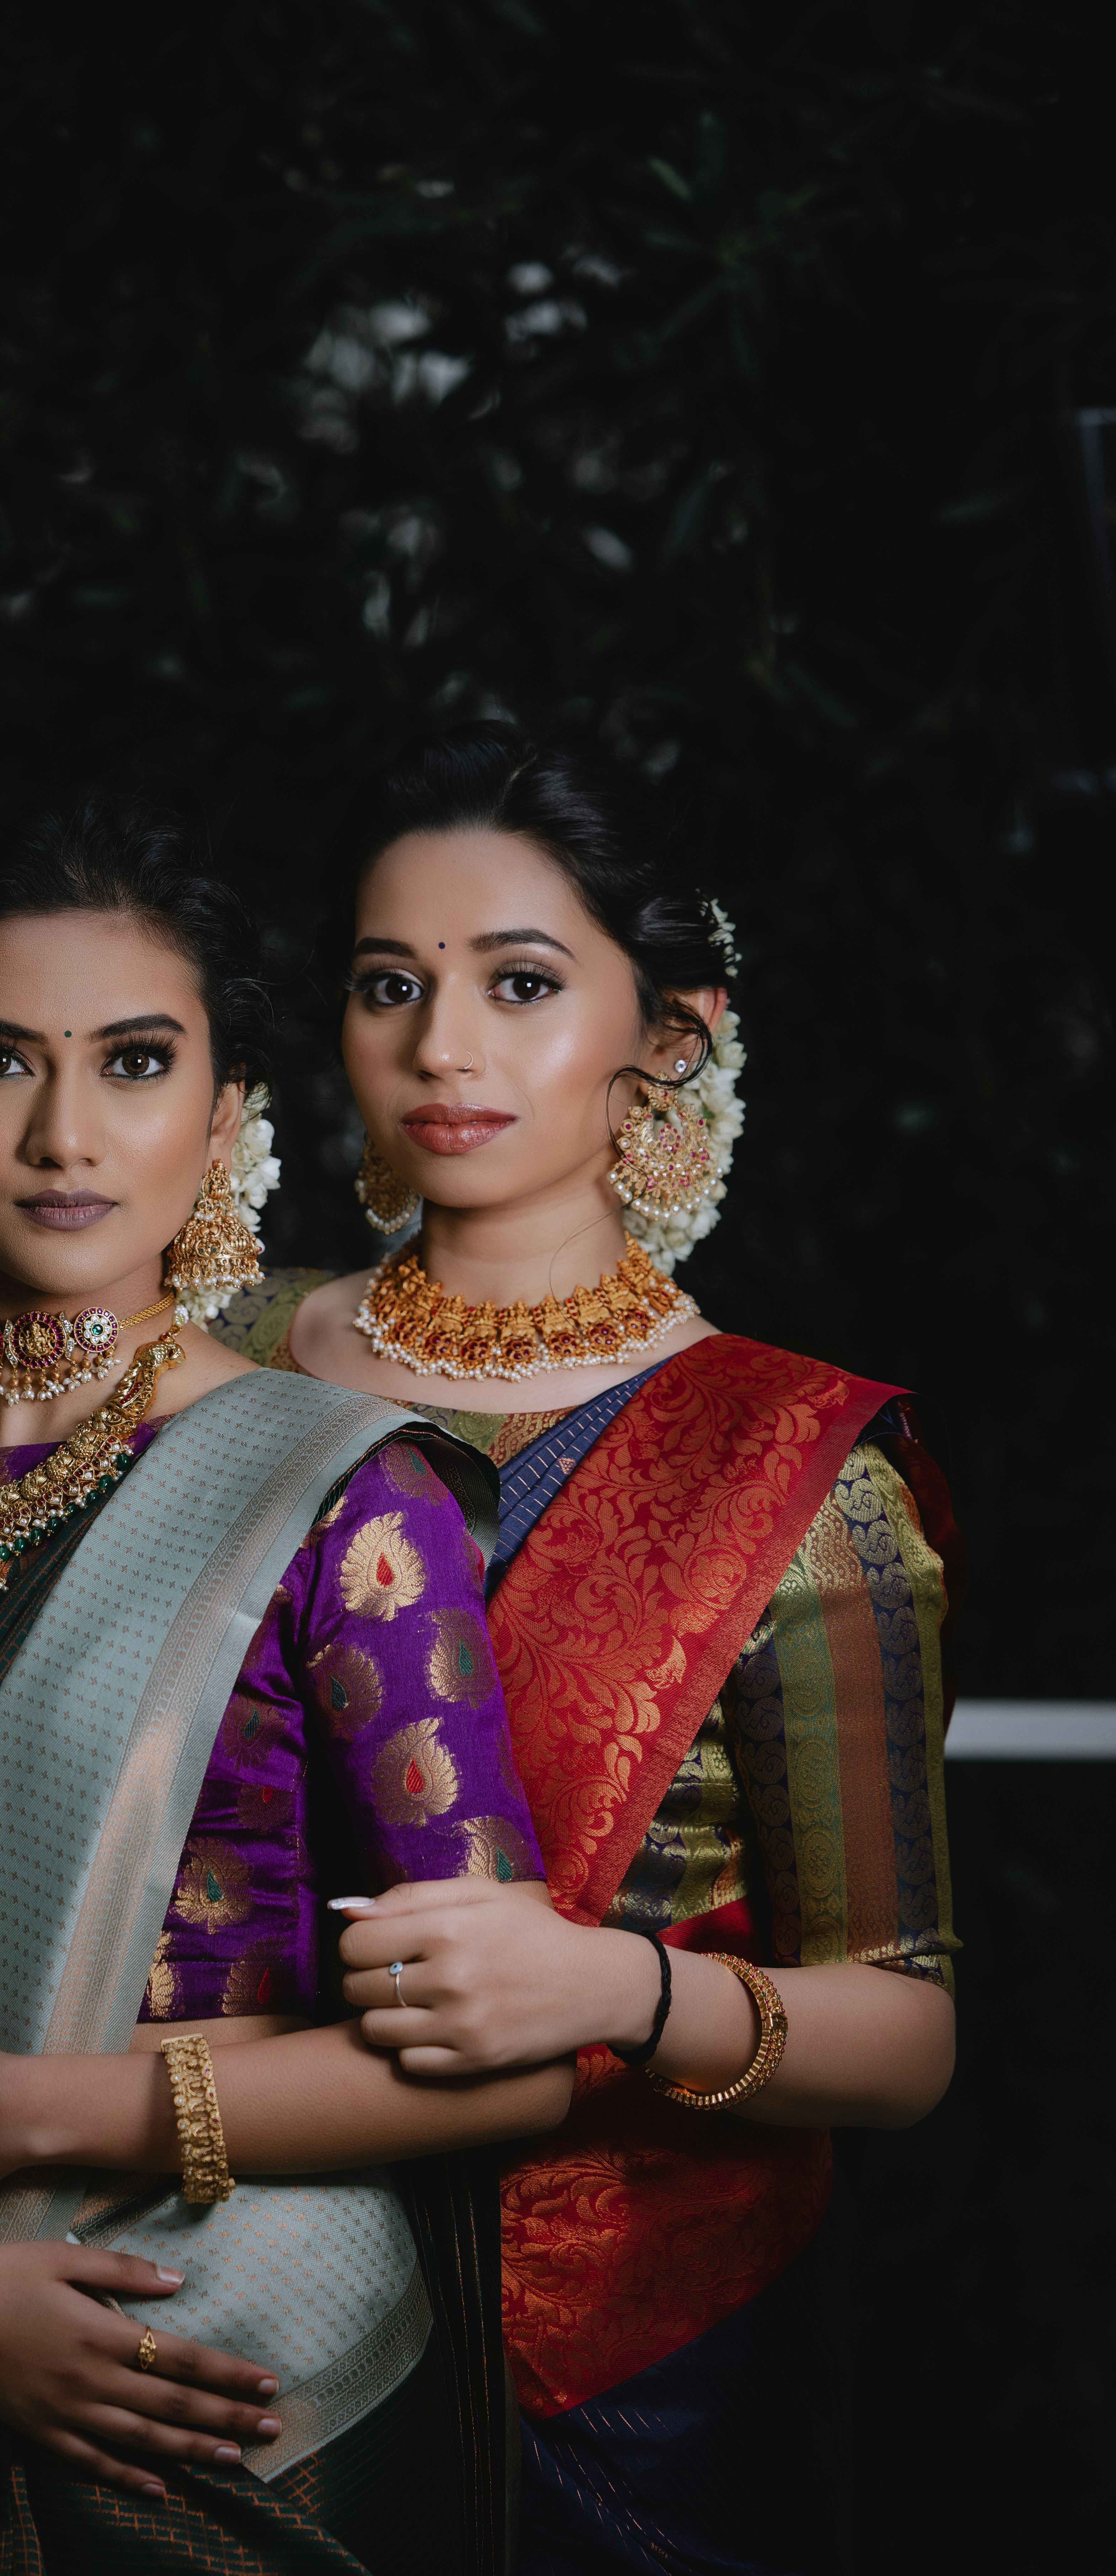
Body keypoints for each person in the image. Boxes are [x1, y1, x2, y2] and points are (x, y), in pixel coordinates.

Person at [0, 795, 578, 2576]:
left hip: (239, 2360)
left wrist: (34, 2115)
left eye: (134, 1063)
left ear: (224, 1119)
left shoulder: (338, 1486)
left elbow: (507, 2069)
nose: (65, 1134)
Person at [208, 723, 962, 2576]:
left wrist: (616, 1996)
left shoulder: (791, 1465)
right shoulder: (201, 1359)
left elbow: (906, 2026)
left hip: (634, 2389)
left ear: (668, 1036)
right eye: (390, 987)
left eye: (519, 985)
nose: (441, 1049)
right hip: (196, 2307)